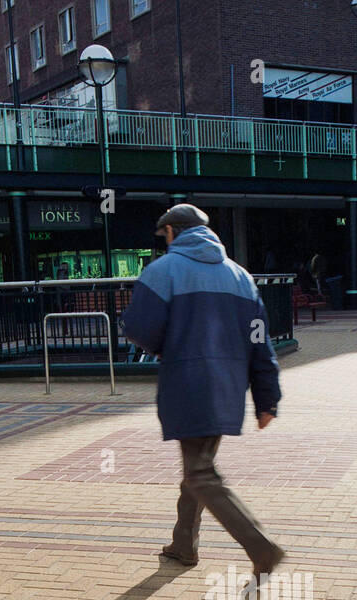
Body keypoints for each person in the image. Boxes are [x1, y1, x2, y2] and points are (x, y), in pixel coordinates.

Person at [120, 203, 285, 580]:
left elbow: (139, 330)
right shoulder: (241, 277)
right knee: (197, 467)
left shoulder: (164, 271)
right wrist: (267, 399)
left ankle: (263, 548)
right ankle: (183, 544)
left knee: (200, 475)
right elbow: (261, 343)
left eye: (165, 236)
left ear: (173, 233)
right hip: (227, 389)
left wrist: (168, 342)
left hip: (188, 386)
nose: (164, 243)